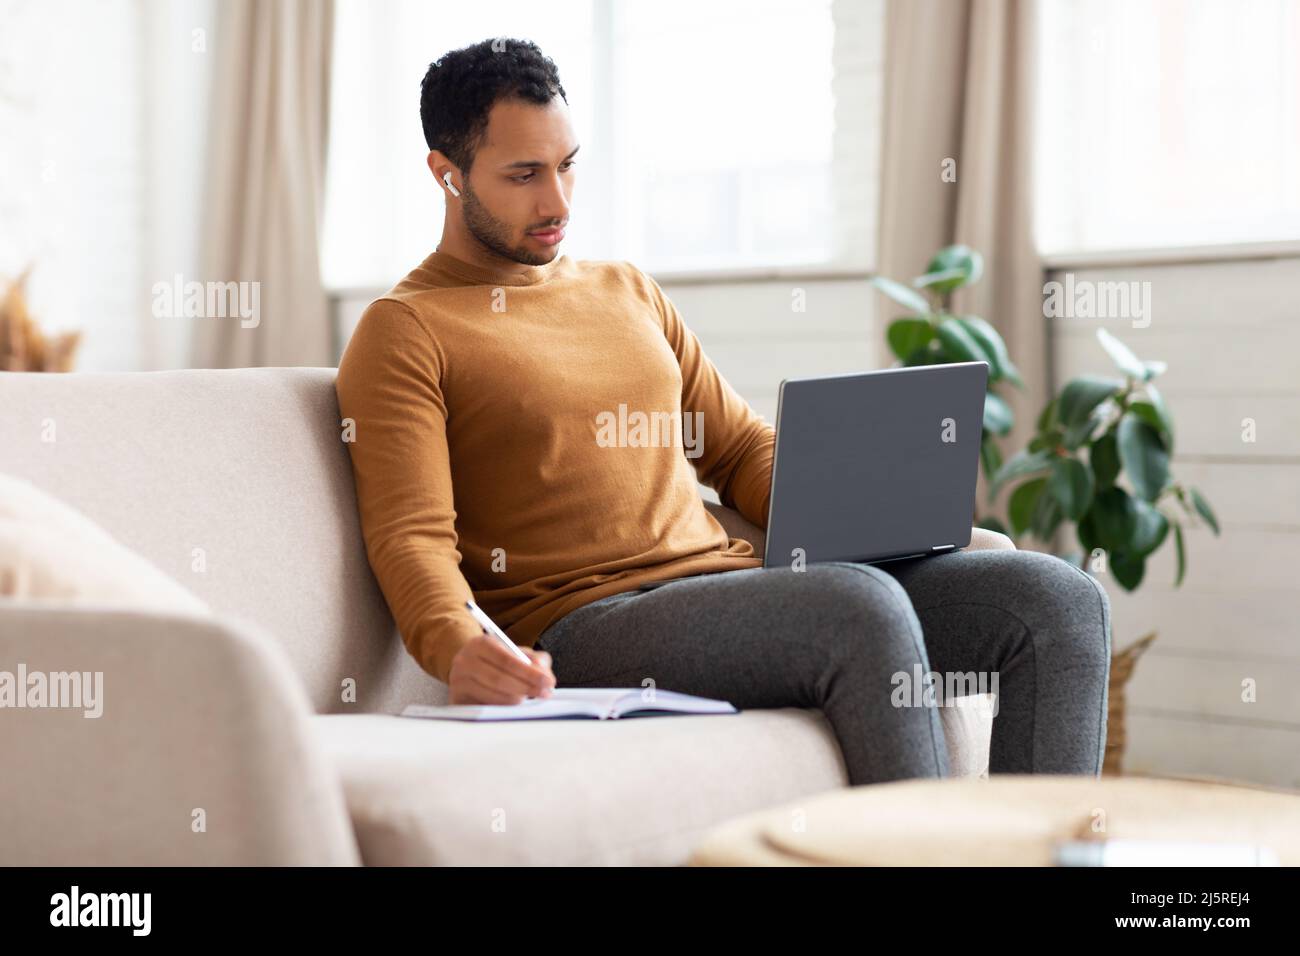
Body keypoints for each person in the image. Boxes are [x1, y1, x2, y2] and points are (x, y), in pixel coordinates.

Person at [335, 38, 1110, 785]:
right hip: (586, 625)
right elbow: (412, 538)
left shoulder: (626, 290)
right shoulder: (408, 329)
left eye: (569, 165)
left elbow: (737, 450)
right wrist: (455, 642)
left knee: (1055, 600)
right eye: (524, 174)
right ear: (447, 174)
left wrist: (855, 516)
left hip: (728, 590)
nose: (558, 200)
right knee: (856, 610)